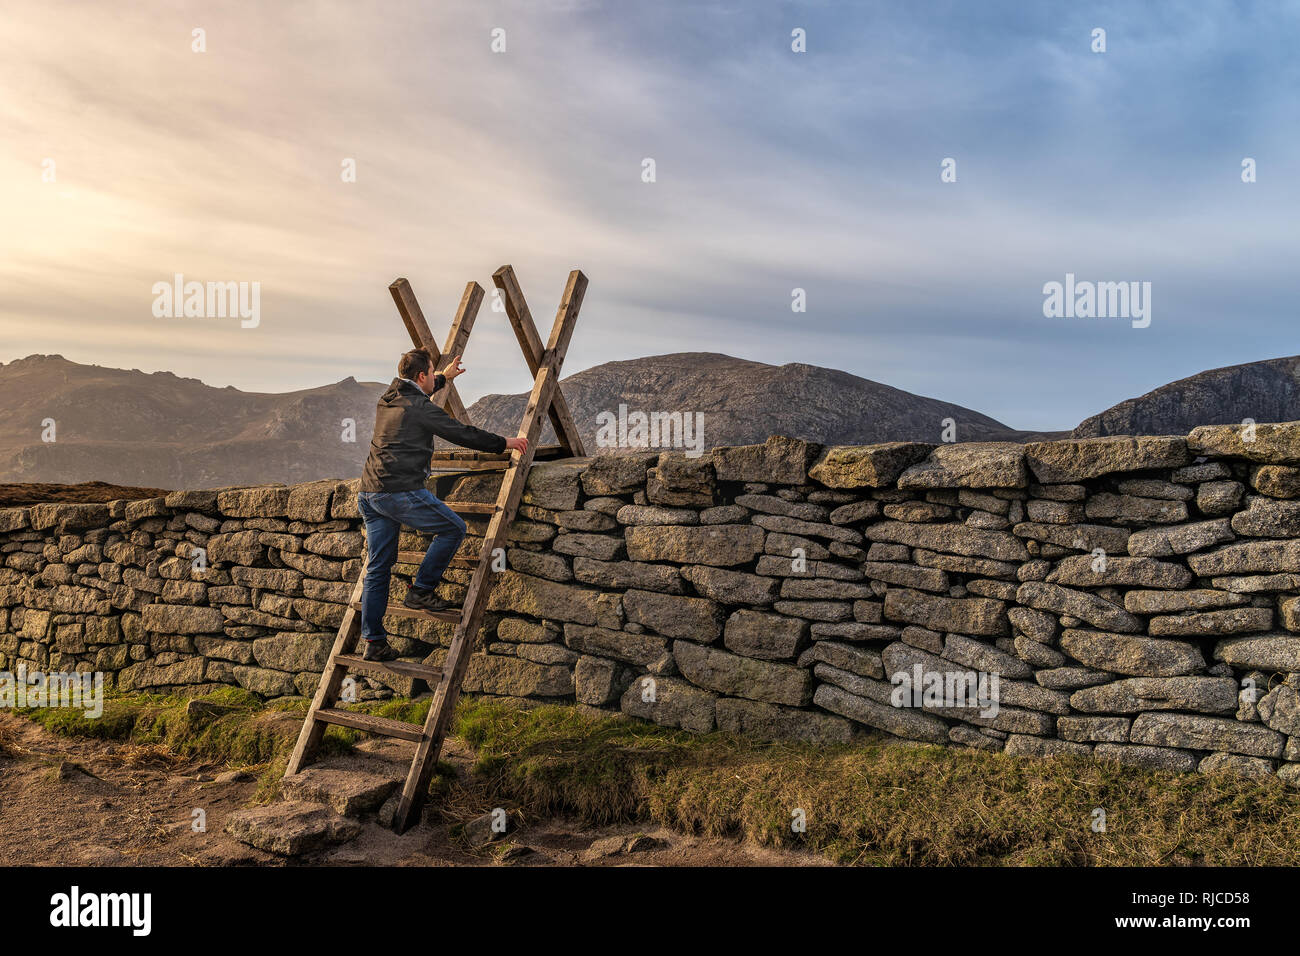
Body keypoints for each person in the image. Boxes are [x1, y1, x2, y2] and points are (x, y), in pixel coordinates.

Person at [355, 347, 527, 662]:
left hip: (369, 492)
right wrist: (505, 443)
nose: (434, 377)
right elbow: (460, 432)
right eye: (431, 373)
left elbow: (419, 385)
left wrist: (443, 377)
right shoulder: (419, 407)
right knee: (453, 528)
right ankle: (421, 590)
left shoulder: (388, 398)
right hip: (398, 490)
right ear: (421, 376)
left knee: (378, 567)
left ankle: (374, 642)